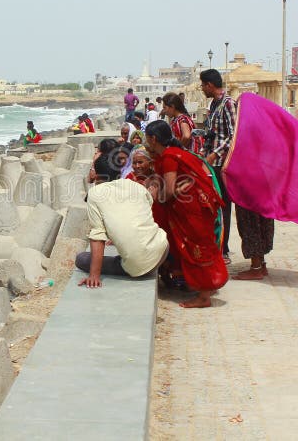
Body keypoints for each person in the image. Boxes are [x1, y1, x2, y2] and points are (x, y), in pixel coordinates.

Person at [144, 120, 228, 308]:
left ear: (154, 138)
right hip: (196, 207)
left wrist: (154, 200)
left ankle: (204, 296)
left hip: (191, 211)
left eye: (148, 138)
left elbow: (170, 189)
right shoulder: (175, 154)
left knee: (196, 248)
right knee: (201, 246)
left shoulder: (169, 157)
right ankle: (204, 288)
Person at [75, 151, 169, 288]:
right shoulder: (134, 184)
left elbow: (97, 237)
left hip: (139, 267)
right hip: (162, 249)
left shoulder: (94, 194)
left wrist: (94, 275)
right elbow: (143, 208)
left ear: (97, 174)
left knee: (81, 258)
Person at [199, 69, 235, 264]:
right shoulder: (213, 105)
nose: (202, 89)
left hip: (222, 163)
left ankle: (224, 249)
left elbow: (233, 134)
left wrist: (215, 153)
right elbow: (211, 132)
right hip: (211, 163)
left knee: (223, 206)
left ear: (209, 85)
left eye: (203, 85)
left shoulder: (228, 103)